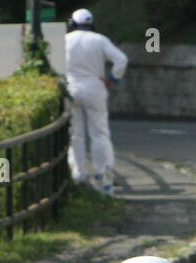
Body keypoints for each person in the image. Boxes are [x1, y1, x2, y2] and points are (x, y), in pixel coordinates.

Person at [64, 8, 128, 194]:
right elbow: (121, 59)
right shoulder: (99, 40)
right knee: (100, 133)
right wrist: (113, 79)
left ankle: (79, 173)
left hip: (71, 87)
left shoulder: (65, 40)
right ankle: (104, 174)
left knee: (76, 134)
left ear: (72, 23)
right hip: (95, 88)